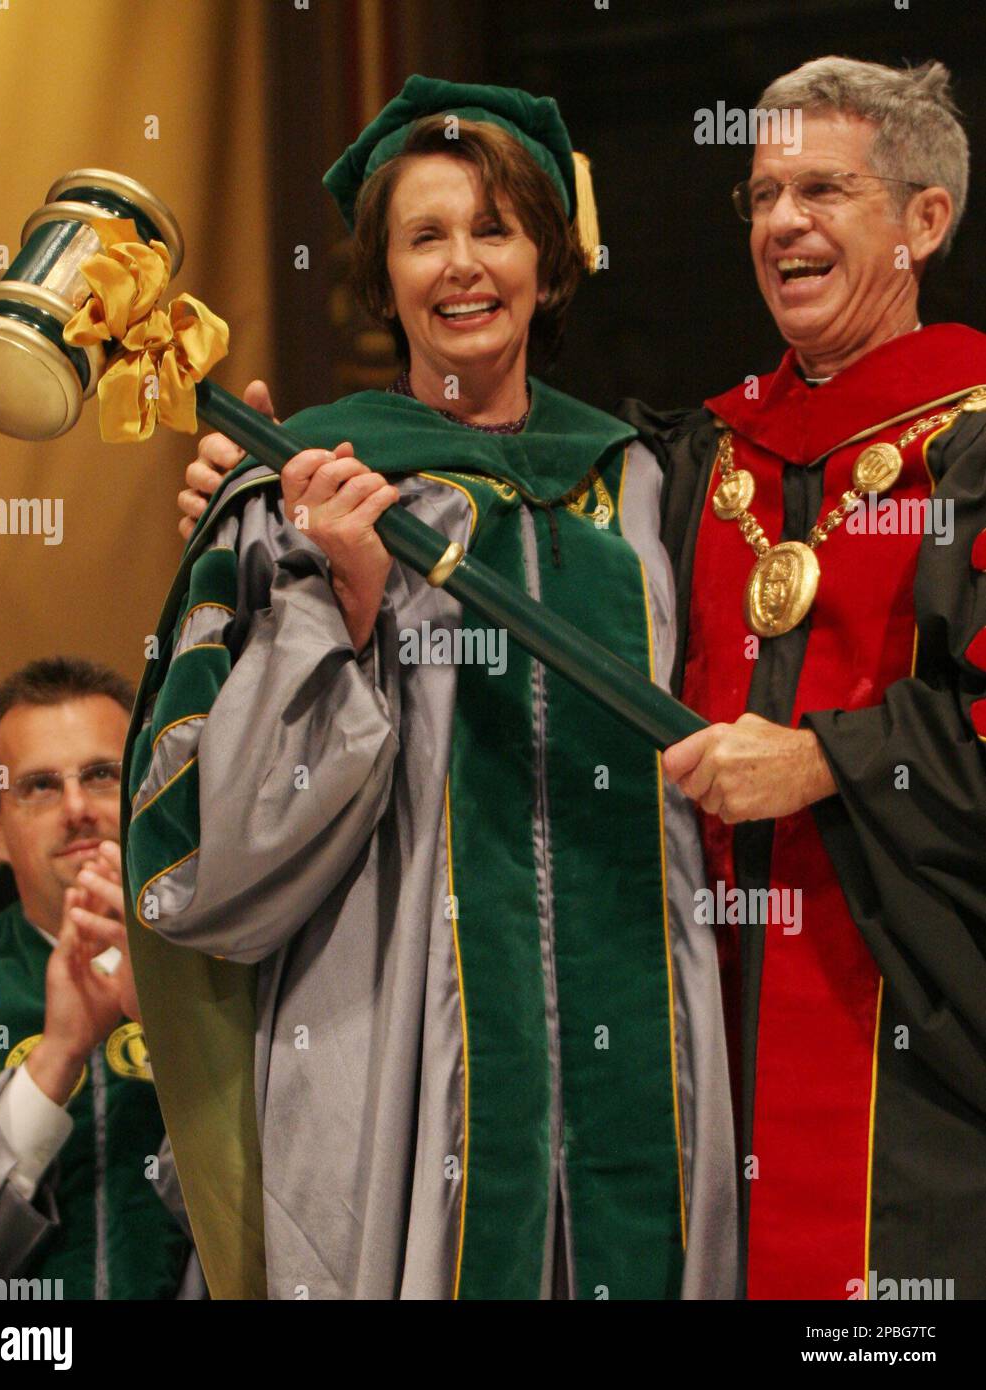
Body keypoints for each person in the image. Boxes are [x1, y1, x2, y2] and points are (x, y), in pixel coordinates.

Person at [134, 76, 736, 1300]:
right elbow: (207, 848)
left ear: (551, 261)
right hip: (395, 1054)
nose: (464, 267)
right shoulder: (307, 489)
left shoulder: (639, 486)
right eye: (425, 236)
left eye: (496, 229)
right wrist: (339, 615)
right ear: (384, 272)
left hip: (646, 1055)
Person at [618, 57, 986, 1299]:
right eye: (764, 194)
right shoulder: (698, 458)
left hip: (927, 1062)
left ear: (924, 221)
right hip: (703, 1061)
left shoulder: (974, 446)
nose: (782, 223)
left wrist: (830, 755)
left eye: (823, 189)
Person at [0, 657, 200, 1299]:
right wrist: (56, 1057)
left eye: (102, 775)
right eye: (40, 786)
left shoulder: (234, 980)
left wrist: (173, 1018)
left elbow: (289, 1226)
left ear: (143, 794)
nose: (76, 808)